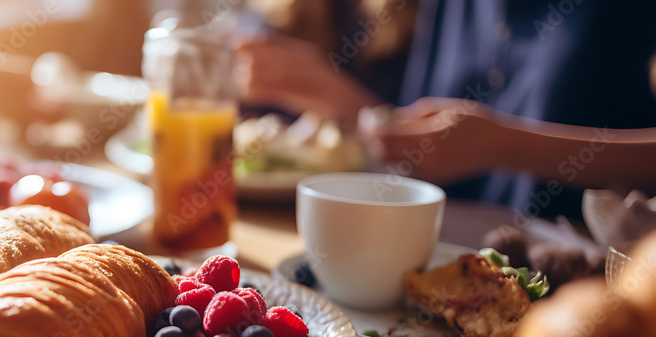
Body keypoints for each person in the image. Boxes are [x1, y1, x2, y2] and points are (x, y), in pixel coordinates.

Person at [235, 0, 656, 219]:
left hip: (586, 286)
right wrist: (352, 107)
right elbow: (426, 137)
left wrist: (505, 145)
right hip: (444, 265)